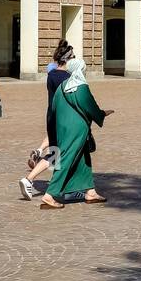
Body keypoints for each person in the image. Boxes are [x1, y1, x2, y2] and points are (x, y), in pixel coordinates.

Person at [40, 58, 113, 210]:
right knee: (67, 158)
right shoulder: (81, 87)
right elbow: (90, 106)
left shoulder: (62, 87)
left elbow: (53, 108)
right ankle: (50, 194)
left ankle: (90, 192)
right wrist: (101, 114)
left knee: (83, 157)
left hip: (63, 128)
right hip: (77, 128)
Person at [19, 40, 73, 200]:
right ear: (68, 59)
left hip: (51, 116)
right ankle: (29, 179)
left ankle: (59, 186)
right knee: (61, 154)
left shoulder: (51, 75)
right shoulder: (66, 78)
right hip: (63, 119)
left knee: (57, 154)